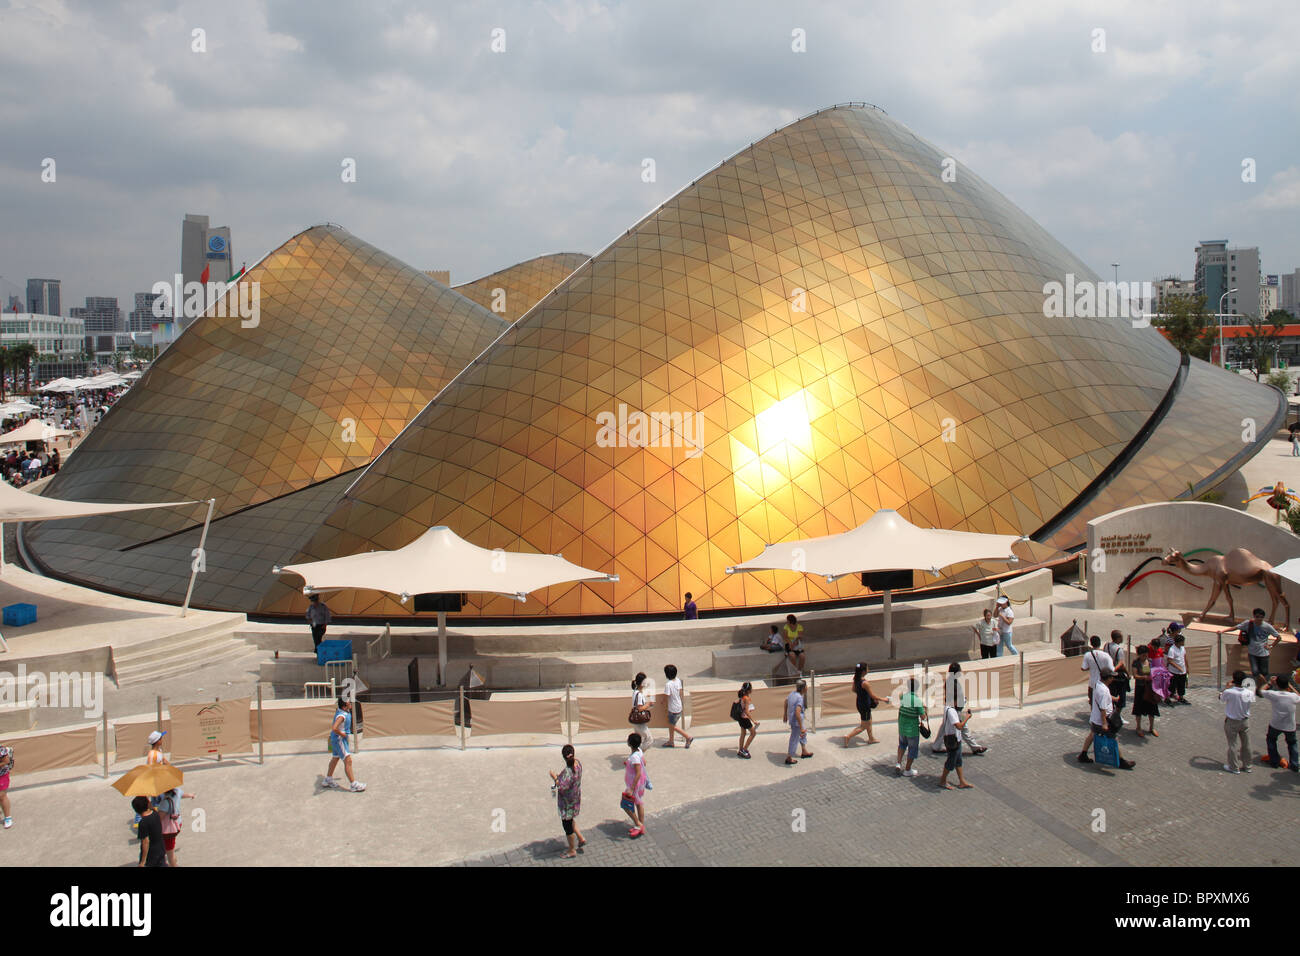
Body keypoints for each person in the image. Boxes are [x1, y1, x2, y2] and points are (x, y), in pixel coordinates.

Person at [1077, 673, 1136, 769]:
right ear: (1108, 678)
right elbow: (1103, 708)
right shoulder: (1104, 690)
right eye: (1112, 677)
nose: (1113, 679)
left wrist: (1114, 699)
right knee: (1114, 738)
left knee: (1092, 735)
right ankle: (1121, 761)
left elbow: (1103, 698)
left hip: (1095, 718)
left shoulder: (1098, 684)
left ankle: (1083, 754)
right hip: (1102, 721)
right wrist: (1104, 723)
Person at [930, 662, 987, 754]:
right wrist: (963, 702)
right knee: (964, 728)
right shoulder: (953, 683)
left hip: (950, 709)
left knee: (944, 727)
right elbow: (955, 699)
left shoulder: (950, 681)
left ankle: (936, 746)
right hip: (955, 710)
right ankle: (975, 747)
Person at [1228, 608, 1279, 691]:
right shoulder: (1249, 623)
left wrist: (1271, 646)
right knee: (1255, 672)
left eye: (1261, 617)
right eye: (1257, 617)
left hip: (1264, 654)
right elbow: (1236, 627)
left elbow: (1278, 637)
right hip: (1252, 653)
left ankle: (1260, 688)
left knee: (1264, 672)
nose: (1259, 619)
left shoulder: (1267, 626)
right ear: (1254, 616)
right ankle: (1267, 685)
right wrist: (1223, 631)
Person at [549, 744, 585, 857]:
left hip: (567, 803)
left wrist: (554, 777)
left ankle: (571, 850)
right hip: (575, 799)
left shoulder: (568, 772)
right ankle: (581, 838)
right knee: (571, 819)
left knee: (567, 825)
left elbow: (561, 787)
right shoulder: (578, 763)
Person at [323, 697, 366, 792]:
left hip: (335, 739)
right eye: (348, 703)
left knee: (335, 758)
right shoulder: (341, 716)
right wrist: (343, 734)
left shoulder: (342, 710)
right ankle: (353, 784)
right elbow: (334, 728)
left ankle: (328, 779)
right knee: (348, 761)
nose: (350, 703)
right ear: (344, 707)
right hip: (339, 740)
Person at [1259, 674, 1300, 772]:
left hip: (1276, 724)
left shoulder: (1274, 694)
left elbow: (1261, 691)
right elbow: (1298, 695)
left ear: (1277, 685)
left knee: (1271, 740)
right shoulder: (1293, 697)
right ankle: (1294, 764)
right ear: (1287, 685)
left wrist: (1269, 683)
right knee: (1292, 743)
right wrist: (1289, 685)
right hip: (1290, 726)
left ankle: (1274, 761)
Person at [152, 786, 195, 867]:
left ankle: (174, 864)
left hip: (168, 829)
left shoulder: (165, 803)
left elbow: (159, 818)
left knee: (170, 854)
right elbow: (183, 795)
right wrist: (191, 795)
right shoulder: (177, 791)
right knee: (170, 848)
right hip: (177, 823)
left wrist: (152, 810)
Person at [1220, 670, 1254, 774]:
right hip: (1244, 721)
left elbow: (1221, 698)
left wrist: (1226, 687)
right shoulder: (1249, 692)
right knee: (1246, 744)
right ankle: (1248, 766)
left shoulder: (1229, 692)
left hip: (1232, 722)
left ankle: (1234, 767)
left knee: (1233, 745)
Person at [843, 662, 884, 745]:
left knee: (869, 720)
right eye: (867, 668)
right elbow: (873, 695)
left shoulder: (856, 679)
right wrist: (884, 699)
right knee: (863, 726)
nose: (868, 670)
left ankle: (871, 738)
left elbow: (853, 690)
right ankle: (848, 736)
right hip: (865, 705)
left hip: (859, 703)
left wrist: (861, 693)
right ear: (863, 671)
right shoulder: (865, 683)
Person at [937, 699, 975, 789]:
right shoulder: (951, 711)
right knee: (951, 762)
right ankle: (942, 781)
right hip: (952, 740)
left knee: (958, 760)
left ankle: (962, 781)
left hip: (956, 738)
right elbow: (959, 726)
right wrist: (967, 717)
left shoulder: (949, 708)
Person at [895, 677, 925, 777]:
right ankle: (907, 769)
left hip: (902, 727)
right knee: (912, 749)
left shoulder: (903, 696)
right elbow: (923, 717)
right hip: (912, 730)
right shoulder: (917, 700)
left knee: (902, 745)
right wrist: (924, 709)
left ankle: (898, 763)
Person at [622, 733, 648, 838]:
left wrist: (632, 788)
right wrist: (629, 764)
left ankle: (639, 824)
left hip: (634, 786)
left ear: (629, 743)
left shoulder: (634, 758)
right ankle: (639, 825)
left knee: (625, 805)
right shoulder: (639, 752)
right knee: (638, 803)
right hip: (640, 784)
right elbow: (644, 763)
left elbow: (638, 772)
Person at [1131, 645, 1160, 737]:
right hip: (1140, 687)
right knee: (1138, 708)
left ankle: (1151, 727)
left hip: (1150, 688)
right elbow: (1135, 675)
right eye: (1143, 655)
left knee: (1152, 708)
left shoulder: (1150, 661)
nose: (1145, 656)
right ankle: (1138, 727)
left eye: (1146, 654)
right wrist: (1144, 677)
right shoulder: (1136, 663)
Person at [662, 664, 692, 748]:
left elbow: (666, 696)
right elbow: (681, 692)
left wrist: (662, 702)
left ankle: (688, 737)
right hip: (679, 706)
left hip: (673, 709)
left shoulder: (668, 684)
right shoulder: (678, 680)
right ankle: (671, 741)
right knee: (672, 725)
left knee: (672, 726)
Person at [784, 679, 813, 765]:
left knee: (803, 734)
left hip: (794, 720)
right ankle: (789, 757)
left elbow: (786, 701)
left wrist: (785, 714)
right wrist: (800, 727)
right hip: (796, 722)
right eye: (806, 686)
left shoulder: (792, 694)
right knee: (794, 738)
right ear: (804, 688)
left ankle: (804, 751)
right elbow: (797, 713)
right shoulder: (800, 698)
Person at [132, 795, 167, 867]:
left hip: (151, 855)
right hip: (161, 849)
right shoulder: (155, 813)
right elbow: (151, 807)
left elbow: (145, 842)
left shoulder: (143, 823)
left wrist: (142, 862)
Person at [1081, 636, 1115, 705]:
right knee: (1103, 704)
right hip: (1103, 683)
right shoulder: (1106, 655)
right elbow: (1112, 669)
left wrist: (1091, 667)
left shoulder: (1087, 655)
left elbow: (1083, 668)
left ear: (1091, 643)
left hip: (1092, 683)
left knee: (1092, 703)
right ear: (1100, 643)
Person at [1104, 630, 1129, 720]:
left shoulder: (1106, 645)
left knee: (1111, 695)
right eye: (1121, 637)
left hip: (1108, 675)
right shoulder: (1119, 649)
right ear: (1118, 638)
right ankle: (1116, 716)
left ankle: (1111, 714)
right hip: (1117, 675)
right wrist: (1127, 673)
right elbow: (1121, 664)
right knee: (1121, 697)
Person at [629, 672, 654, 748]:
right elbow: (640, 708)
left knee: (638, 740)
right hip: (639, 721)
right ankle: (638, 755)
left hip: (635, 720)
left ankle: (635, 756)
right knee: (649, 739)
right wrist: (648, 704)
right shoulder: (639, 695)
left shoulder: (635, 692)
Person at [735, 681, 757, 758]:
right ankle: (744, 750)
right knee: (753, 733)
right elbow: (747, 711)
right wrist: (753, 721)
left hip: (740, 718)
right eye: (751, 688)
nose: (752, 689)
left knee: (743, 733)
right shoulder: (746, 698)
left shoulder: (742, 696)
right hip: (744, 719)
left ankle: (740, 750)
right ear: (748, 690)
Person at [1166, 630, 1188, 704]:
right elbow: (1170, 660)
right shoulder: (1172, 649)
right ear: (1179, 642)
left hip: (1182, 671)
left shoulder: (1182, 648)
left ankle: (1181, 697)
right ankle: (1167, 698)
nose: (1184, 642)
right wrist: (1178, 667)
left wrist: (1187, 667)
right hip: (1174, 671)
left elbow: (1184, 657)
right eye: (1183, 641)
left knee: (1181, 685)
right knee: (1171, 686)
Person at [0, 744, 11, 829]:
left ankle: (8, 818)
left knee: (2, 796)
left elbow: (6, 761)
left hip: (2, 775)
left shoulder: (1, 749)